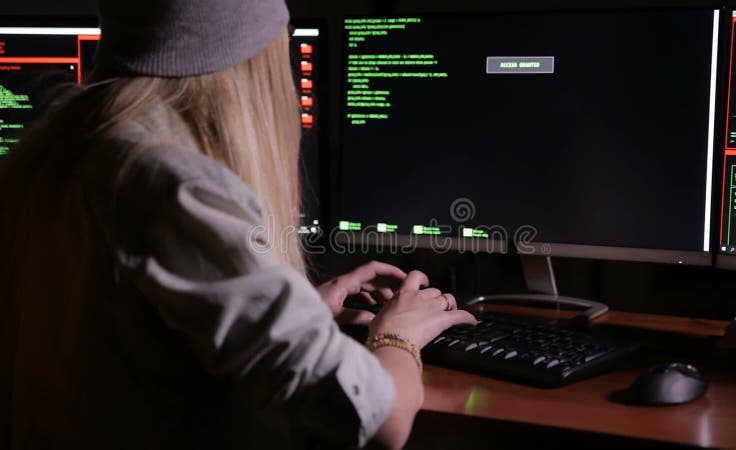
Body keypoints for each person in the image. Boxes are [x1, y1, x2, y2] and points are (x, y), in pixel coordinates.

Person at [0, 0, 476, 449]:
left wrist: (296, 311)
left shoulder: (72, 145)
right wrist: (399, 335)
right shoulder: (171, 180)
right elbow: (379, 420)